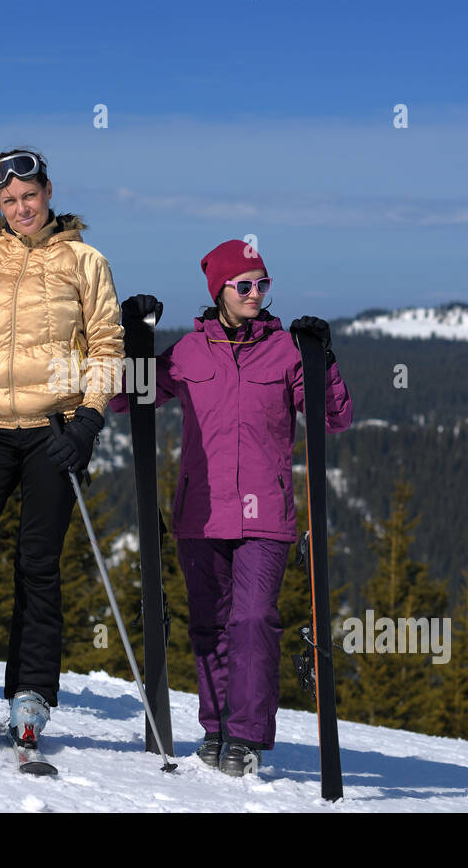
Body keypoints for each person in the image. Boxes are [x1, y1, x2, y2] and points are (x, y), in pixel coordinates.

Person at [109, 239, 353, 775]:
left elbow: (333, 418)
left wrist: (322, 360)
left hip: (266, 512)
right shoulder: (190, 353)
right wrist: (132, 342)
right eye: (245, 285)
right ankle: (216, 728)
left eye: (263, 284)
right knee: (209, 625)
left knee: (253, 618)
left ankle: (245, 736)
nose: (256, 294)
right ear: (219, 290)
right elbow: (126, 398)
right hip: (200, 512)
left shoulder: (287, 350)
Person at [0, 148, 123, 752]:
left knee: (38, 563)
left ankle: (31, 691)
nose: (21, 209)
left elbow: (107, 345)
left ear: (47, 192)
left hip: (54, 431)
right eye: (9, 201)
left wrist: (88, 422)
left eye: (29, 197)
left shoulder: (85, 261)